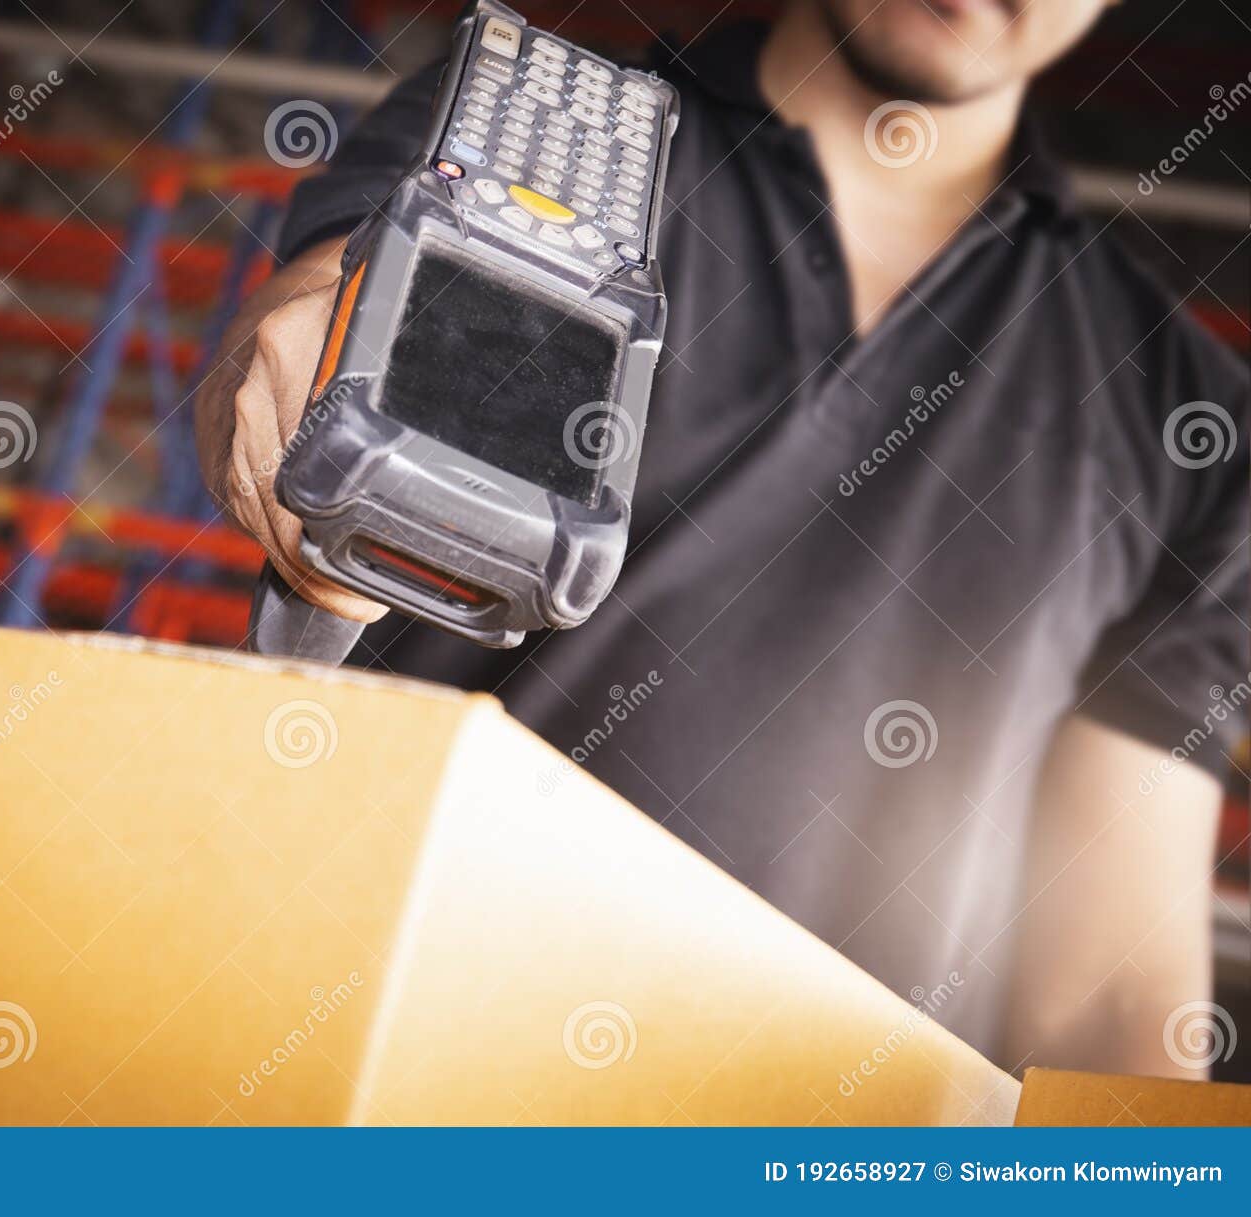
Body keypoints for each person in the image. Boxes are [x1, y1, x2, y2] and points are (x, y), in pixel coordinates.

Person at [197, 0, 1249, 1077]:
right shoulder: (536, 128)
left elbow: (1110, 996)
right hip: (390, 1066)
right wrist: (295, 365)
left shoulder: (1188, 419)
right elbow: (307, 321)